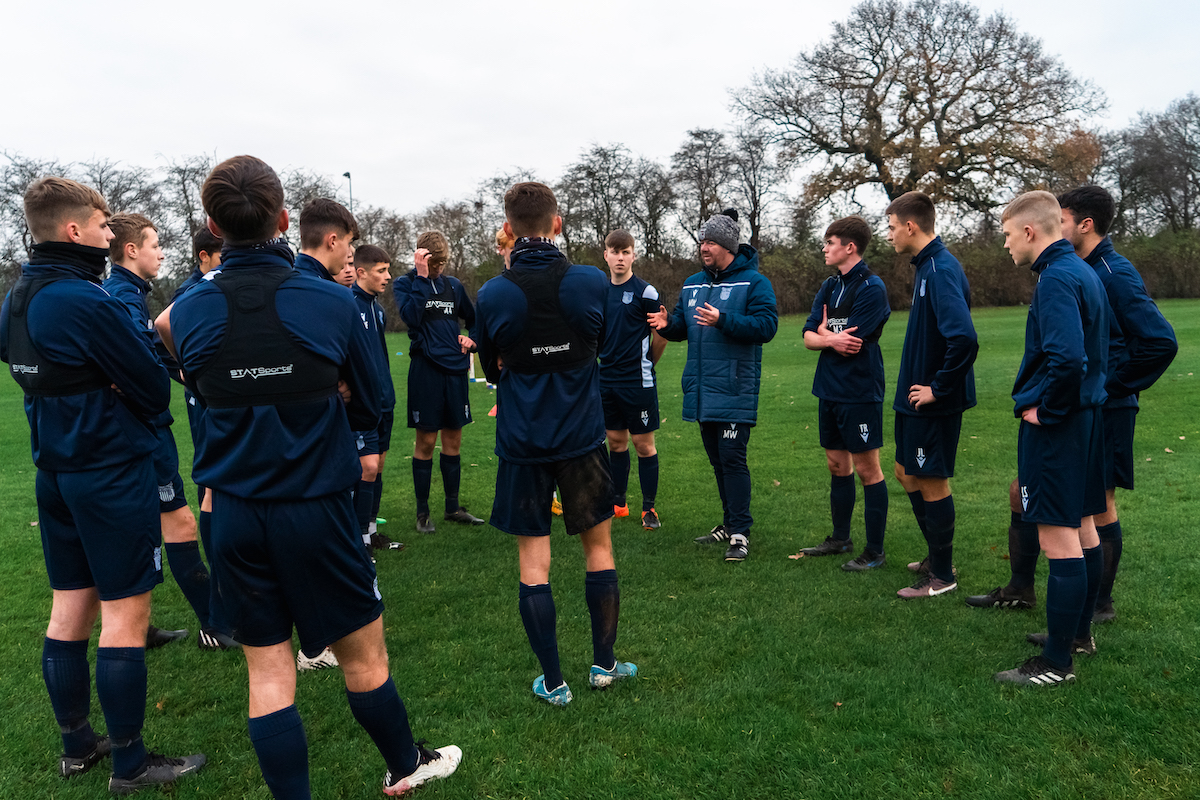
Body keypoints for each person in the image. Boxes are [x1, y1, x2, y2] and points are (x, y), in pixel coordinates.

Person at [159, 156, 460, 796]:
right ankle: (405, 765)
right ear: (284, 219)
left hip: (234, 512)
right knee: (363, 657)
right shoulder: (329, 301)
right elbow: (375, 399)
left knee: (268, 675)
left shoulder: (189, 308)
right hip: (317, 507)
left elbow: (170, 342)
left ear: (213, 223)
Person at [1, 177, 204, 791]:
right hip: (109, 474)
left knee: (70, 607)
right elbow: (149, 388)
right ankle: (131, 762)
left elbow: (23, 371)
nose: (108, 233)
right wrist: (111, 386)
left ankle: (76, 744)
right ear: (73, 230)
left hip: (54, 474)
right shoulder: (86, 300)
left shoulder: (13, 298)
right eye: (100, 224)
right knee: (123, 614)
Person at [967, 186, 1177, 618]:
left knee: (1092, 511)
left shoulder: (1111, 273)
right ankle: (1024, 588)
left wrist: (1108, 386)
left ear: (1085, 224)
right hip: (1081, 399)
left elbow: (1159, 342)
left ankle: (1096, 606)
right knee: (1032, 496)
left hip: (1100, 406)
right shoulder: (1077, 269)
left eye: (1061, 221)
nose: (1055, 230)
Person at [475, 181, 636, 706]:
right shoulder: (591, 282)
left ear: (509, 226)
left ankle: (555, 680)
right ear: (557, 222)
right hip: (581, 436)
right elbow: (603, 343)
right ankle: (604, 664)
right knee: (599, 548)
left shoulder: (495, 293)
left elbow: (491, 368)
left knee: (533, 562)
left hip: (524, 439)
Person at [103, 213, 238, 650]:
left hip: (145, 431)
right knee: (178, 521)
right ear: (131, 250)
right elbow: (123, 370)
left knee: (139, 525)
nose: (161, 251)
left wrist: (197, 378)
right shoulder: (120, 299)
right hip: (142, 432)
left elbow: (157, 358)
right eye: (155, 243)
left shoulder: (131, 296)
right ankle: (213, 624)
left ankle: (138, 626)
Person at [992, 190, 1108, 686]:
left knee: (1059, 538)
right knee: (1084, 527)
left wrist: (1049, 411)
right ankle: (1078, 635)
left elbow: (1067, 359)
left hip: (1060, 427)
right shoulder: (1081, 270)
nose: (1005, 245)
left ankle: (1057, 664)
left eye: (1006, 235)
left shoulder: (1057, 278)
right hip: (1087, 421)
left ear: (1030, 231)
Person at [649, 208, 778, 562]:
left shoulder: (754, 283)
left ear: (727, 245)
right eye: (702, 240)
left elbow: (766, 327)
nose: (703, 246)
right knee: (718, 462)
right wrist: (665, 324)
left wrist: (724, 320)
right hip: (703, 391)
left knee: (733, 459)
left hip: (735, 388)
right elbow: (681, 328)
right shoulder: (692, 283)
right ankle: (728, 521)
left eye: (710, 241)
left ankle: (740, 533)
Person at [885, 193, 979, 598]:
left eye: (891, 227)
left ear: (911, 226)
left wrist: (938, 389)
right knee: (906, 472)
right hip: (913, 397)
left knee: (931, 479)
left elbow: (964, 339)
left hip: (932, 400)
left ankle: (942, 576)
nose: (888, 235)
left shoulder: (940, 269)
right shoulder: (926, 267)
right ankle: (936, 557)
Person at [796, 216, 892, 571]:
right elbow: (807, 336)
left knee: (868, 469)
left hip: (859, 391)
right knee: (837, 465)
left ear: (849, 247)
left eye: (830, 242)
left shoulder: (871, 288)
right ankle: (840, 538)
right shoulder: (829, 286)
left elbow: (853, 341)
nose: (824, 248)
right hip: (828, 388)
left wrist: (827, 336)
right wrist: (827, 338)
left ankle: (875, 551)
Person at [393, 231, 484, 533]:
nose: (439, 270)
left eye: (442, 264)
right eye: (434, 265)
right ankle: (422, 514)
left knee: (453, 440)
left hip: (455, 371)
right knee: (426, 441)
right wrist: (421, 278)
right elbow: (411, 317)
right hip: (426, 371)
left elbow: (475, 321)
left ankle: (453, 507)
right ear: (421, 258)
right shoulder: (406, 284)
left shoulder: (454, 286)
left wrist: (472, 340)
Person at [598, 229, 666, 528]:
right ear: (606, 255)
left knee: (643, 444)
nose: (620, 257)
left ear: (633, 255)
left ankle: (648, 509)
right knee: (615, 442)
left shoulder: (646, 292)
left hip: (637, 382)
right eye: (615, 251)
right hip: (606, 380)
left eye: (626, 252)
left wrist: (649, 362)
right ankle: (619, 502)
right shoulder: (599, 292)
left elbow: (661, 333)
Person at [352, 244, 403, 552]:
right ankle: (358, 539)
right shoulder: (348, 304)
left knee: (379, 465)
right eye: (381, 271)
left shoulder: (379, 310)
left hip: (385, 400)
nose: (388, 276)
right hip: (362, 403)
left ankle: (371, 532)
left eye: (388, 269)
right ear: (361, 272)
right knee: (366, 467)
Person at [295, 198, 357, 283]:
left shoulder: (279, 282)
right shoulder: (335, 294)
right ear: (332, 242)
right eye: (349, 243)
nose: (350, 251)